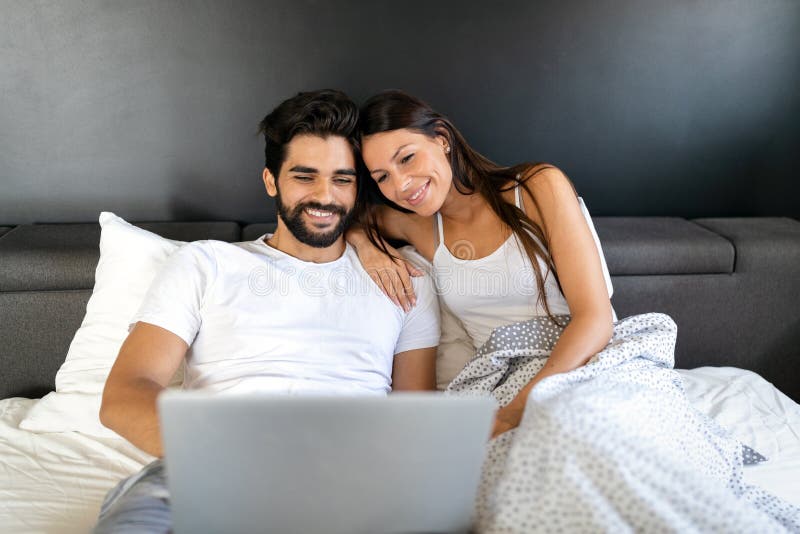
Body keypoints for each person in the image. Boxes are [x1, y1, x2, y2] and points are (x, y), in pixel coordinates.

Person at [94, 89, 440, 533]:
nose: (324, 195)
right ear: (271, 181)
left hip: (346, 479)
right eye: (304, 176)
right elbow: (124, 394)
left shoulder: (404, 283)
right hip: (205, 471)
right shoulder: (207, 264)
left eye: (342, 179)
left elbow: (418, 419)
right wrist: (230, 454)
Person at [345, 90, 614, 439]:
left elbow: (595, 317)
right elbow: (345, 219)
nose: (401, 185)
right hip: (497, 380)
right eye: (381, 177)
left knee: (591, 439)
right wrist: (366, 246)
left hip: (579, 362)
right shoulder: (420, 226)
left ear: (441, 139)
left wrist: (516, 411)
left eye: (407, 158)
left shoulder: (535, 187)